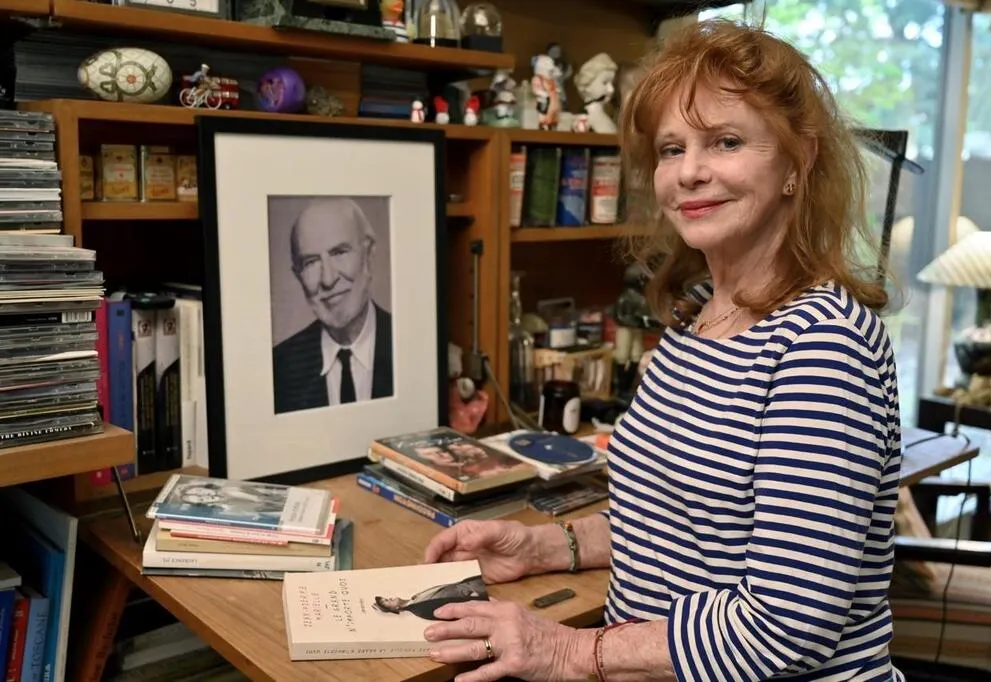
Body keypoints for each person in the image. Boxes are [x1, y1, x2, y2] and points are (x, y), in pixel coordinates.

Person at [420, 17, 903, 682]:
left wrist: (571, 650)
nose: (691, 172)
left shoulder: (821, 346)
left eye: (725, 141)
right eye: (672, 149)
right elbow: (673, 531)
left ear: (800, 160)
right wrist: (540, 547)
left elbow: (785, 625)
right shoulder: (695, 319)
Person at [272, 197, 394, 414]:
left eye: (339, 252)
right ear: (298, 275)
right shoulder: (278, 369)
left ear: (369, 254)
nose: (328, 279)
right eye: (311, 262)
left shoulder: (412, 346)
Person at [373, 576, 488, 621]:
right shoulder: (421, 610)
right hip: (476, 594)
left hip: (472, 583)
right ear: (396, 609)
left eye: (385, 598)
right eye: (386, 602)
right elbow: (452, 612)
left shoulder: (415, 597)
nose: (388, 598)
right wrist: (473, 595)